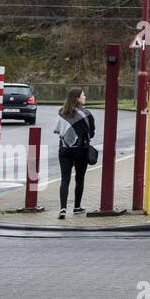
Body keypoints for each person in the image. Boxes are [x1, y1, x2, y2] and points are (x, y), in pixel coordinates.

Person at [54, 87, 95, 219]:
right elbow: (91, 133)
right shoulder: (86, 114)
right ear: (77, 98)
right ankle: (77, 207)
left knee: (65, 179)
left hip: (65, 150)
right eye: (83, 95)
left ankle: (63, 208)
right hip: (81, 150)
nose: (85, 97)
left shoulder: (62, 112)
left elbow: (59, 130)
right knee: (79, 178)